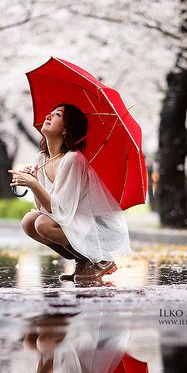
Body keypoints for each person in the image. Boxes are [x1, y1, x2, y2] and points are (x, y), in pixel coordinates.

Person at [10, 104, 131, 282]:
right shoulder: (41, 158)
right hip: (71, 219)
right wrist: (34, 180)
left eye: (57, 114)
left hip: (93, 224)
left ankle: (100, 258)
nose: (49, 116)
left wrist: (34, 184)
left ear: (66, 129)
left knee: (43, 224)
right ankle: (83, 261)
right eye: (50, 112)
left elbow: (60, 210)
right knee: (29, 222)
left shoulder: (73, 159)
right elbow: (42, 207)